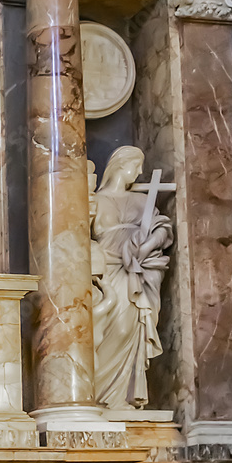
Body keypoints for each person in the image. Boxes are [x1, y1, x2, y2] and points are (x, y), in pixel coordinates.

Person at [91, 146, 173, 410]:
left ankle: (123, 398)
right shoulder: (94, 200)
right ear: (119, 165)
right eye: (135, 165)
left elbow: (162, 227)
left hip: (137, 271)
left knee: (130, 328)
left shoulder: (140, 201)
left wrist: (147, 247)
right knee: (109, 328)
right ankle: (98, 394)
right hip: (108, 270)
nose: (139, 172)